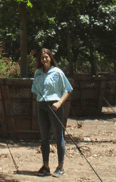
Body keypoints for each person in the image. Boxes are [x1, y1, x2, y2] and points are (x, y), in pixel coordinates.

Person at [31, 48, 72, 176]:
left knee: (59, 136)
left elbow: (67, 90)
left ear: (51, 58)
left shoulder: (57, 72)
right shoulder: (37, 73)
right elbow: (34, 90)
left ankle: (60, 166)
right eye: (42, 57)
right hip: (42, 106)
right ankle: (45, 165)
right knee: (44, 137)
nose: (44, 59)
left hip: (55, 106)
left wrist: (59, 103)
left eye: (46, 57)